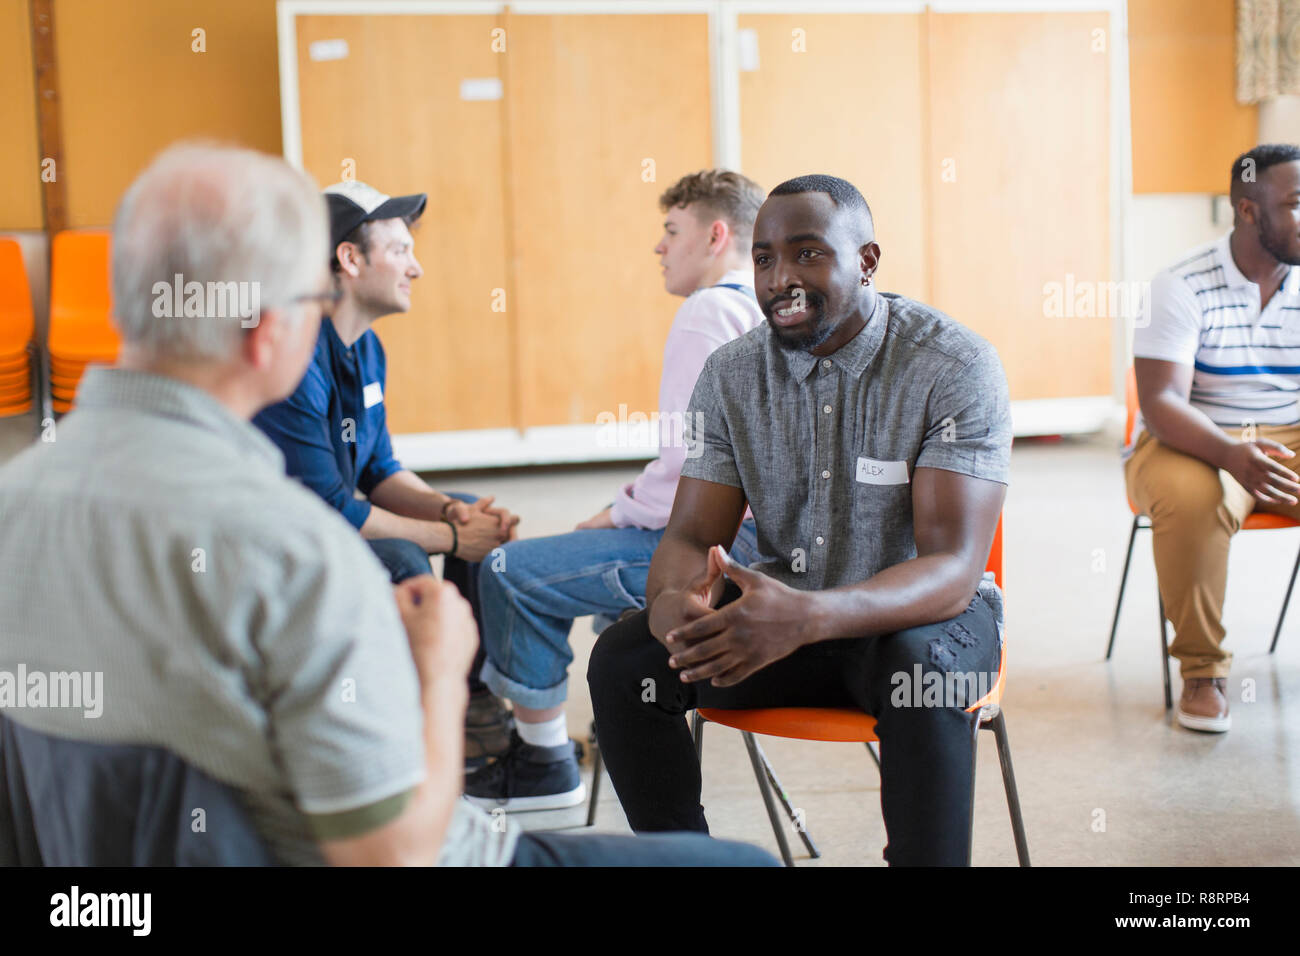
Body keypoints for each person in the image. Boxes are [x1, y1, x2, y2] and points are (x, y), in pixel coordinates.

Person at [0, 142, 777, 868]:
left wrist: (447, 515)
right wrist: (438, 674)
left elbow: (377, 468)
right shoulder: (289, 551)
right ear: (272, 332)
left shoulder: (16, 499)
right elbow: (394, 852)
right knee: (744, 865)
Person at [586, 174, 1012, 866]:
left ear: (867, 260)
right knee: (626, 659)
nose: (781, 277)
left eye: (808, 254)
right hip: (785, 621)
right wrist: (675, 615)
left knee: (922, 673)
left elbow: (953, 571)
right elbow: (694, 535)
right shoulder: (730, 375)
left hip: (917, 621)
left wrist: (811, 618)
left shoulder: (952, 365)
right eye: (764, 258)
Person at [467, 170, 770, 811]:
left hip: (713, 550)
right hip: (767, 548)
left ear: (717, 235)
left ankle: (543, 764)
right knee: (615, 606)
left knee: (506, 570)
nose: (659, 247)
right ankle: (632, 727)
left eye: (670, 231)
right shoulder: (767, 307)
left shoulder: (706, 311)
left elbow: (693, 465)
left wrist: (616, 512)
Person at [252, 179, 518, 767]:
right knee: (401, 560)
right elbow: (328, 507)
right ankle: (404, 733)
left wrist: (452, 511)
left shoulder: (367, 349)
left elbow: (378, 470)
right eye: (399, 250)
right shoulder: (296, 354)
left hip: (324, 517)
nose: (415, 268)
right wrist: (450, 539)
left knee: (467, 504)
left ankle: (468, 703)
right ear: (349, 259)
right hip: (276, 545)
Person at [1126, 143, 1300, 733]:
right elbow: (1161, 403)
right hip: (1191, 436)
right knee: (1195, 499)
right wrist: (1232, 456)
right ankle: (1203, 671)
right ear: (1248, 211)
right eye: (1297, 203)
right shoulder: (1180, 284)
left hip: (1288, 433)